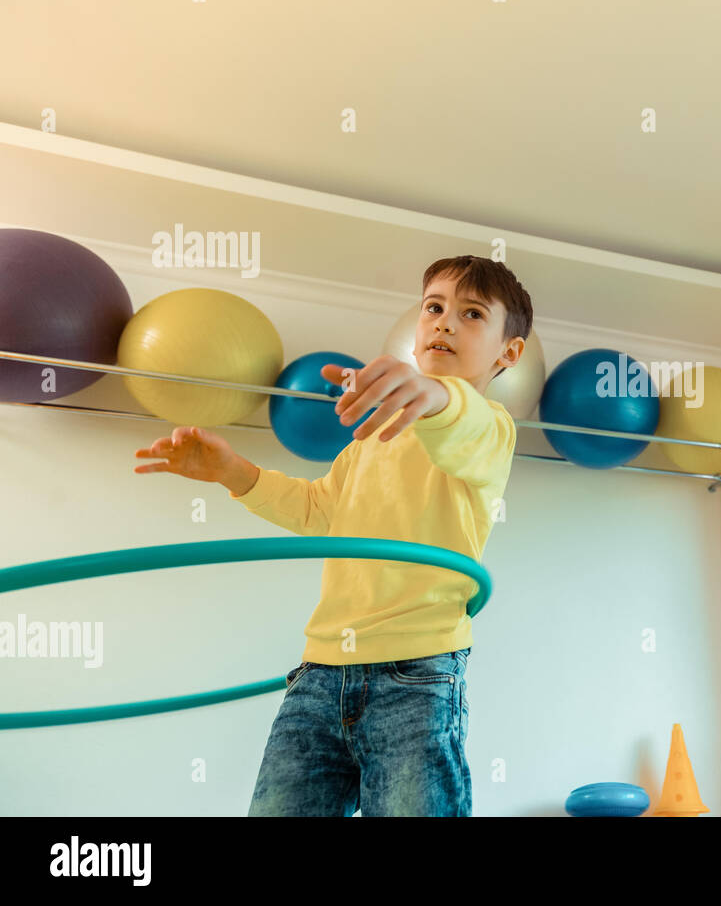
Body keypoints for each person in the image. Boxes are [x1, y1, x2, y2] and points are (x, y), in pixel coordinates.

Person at [134, 255, 532, 816]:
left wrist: (433, 394)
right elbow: (322, 515)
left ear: (508, 352)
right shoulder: (369, 443)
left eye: (471, 314)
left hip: (416, 674)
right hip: (319, 675)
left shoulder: (489, 429)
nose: (444, 322)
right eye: (434, 308)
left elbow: (454, 416)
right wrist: (232, 472)